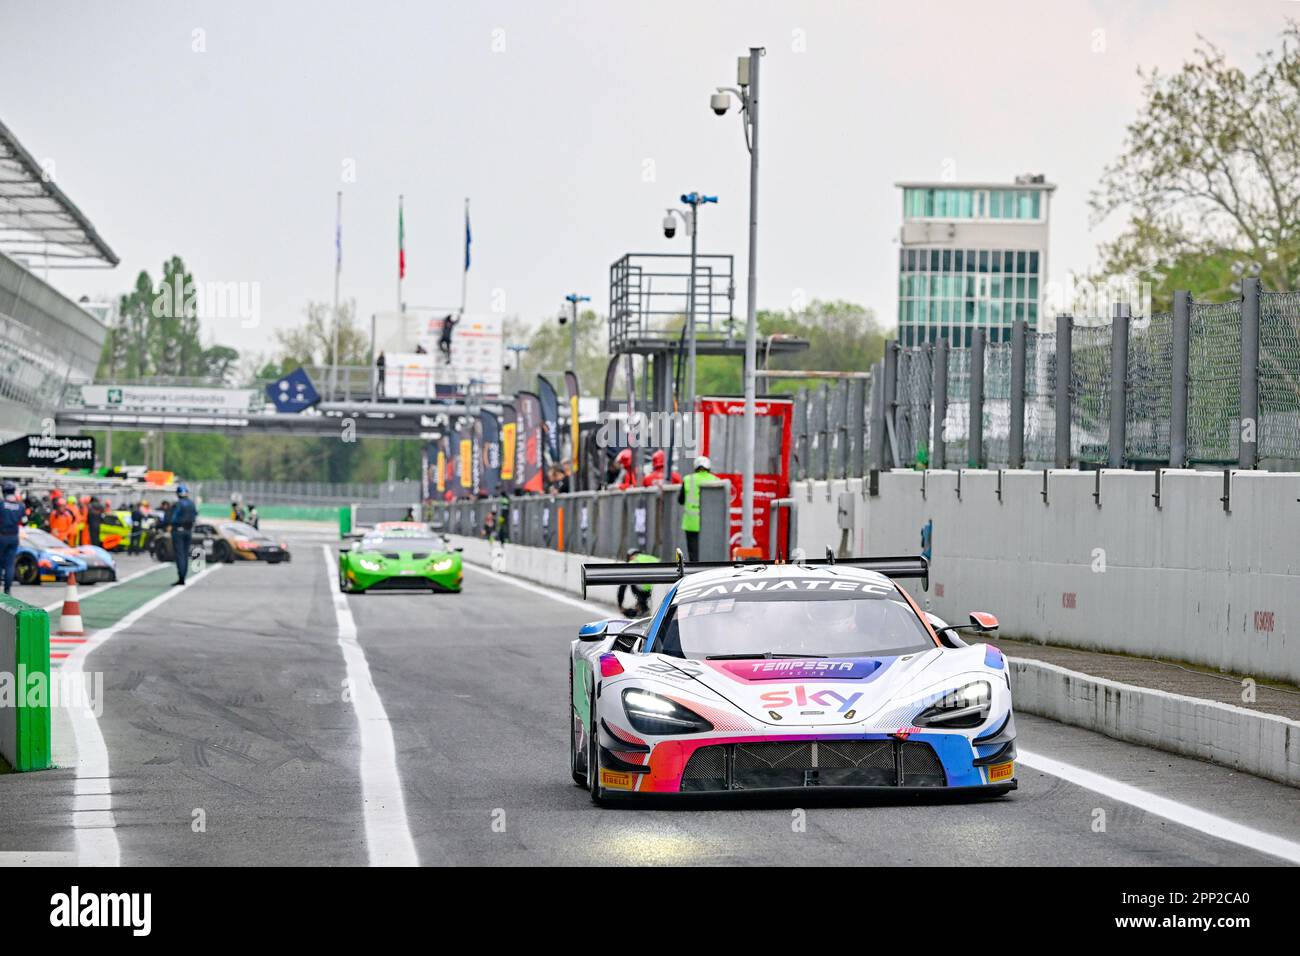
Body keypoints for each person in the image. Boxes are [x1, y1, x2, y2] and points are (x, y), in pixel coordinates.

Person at [678, 455, 721, 562]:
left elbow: (681, 500)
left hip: (691, 523)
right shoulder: (716, 480)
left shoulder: (688, 479)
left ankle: (695, 572)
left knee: (694, 553)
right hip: (711, 524)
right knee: (711, 550)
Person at [162, 484, 198, 586]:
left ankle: (181, 576)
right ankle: (183, 575)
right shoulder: (192, 504)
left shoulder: (177, 504)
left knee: (180, 554)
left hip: (178, 531)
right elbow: (195, 515)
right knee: (185, 554)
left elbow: (172, 518)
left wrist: (168, 525)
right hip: (188, 531)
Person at [616, 548, 658, 617]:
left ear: (630, 556)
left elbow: (622, 587)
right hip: (657, 586)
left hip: (644, 589)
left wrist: (620, 604)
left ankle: (642, 605)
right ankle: (641, 605)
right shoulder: (652, 558)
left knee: (632, 580)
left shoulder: (632, 562)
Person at [0, 481, 24, 595]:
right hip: (14, 537)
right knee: (10, 564)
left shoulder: (1, 504)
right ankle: (7, 589)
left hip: (1, 536)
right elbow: (24, 521)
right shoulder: (20, 506)